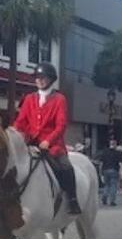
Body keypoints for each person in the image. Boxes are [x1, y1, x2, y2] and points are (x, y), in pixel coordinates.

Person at [11, 62, 81, 215]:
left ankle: (72, 200)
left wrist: (48, 141)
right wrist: (13, 133)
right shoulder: (29, 98)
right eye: (37, 77)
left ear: (51, 79)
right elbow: (21, 122)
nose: (39, 80)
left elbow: (61, 125)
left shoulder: (59, 99)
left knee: (66, 167)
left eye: (43, 77)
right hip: (30, 144)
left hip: (53, 146)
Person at [98, 138, 122, 206]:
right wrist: (121, 172)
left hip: (105, 170)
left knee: (107, 185)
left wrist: (100, 173)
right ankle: (112, 201)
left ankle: (104, 196)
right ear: (115, 145)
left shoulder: (104, 152)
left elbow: (101, 163)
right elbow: (120, 164)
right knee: (113, 186)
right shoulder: (118, 153)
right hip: (114, 170)